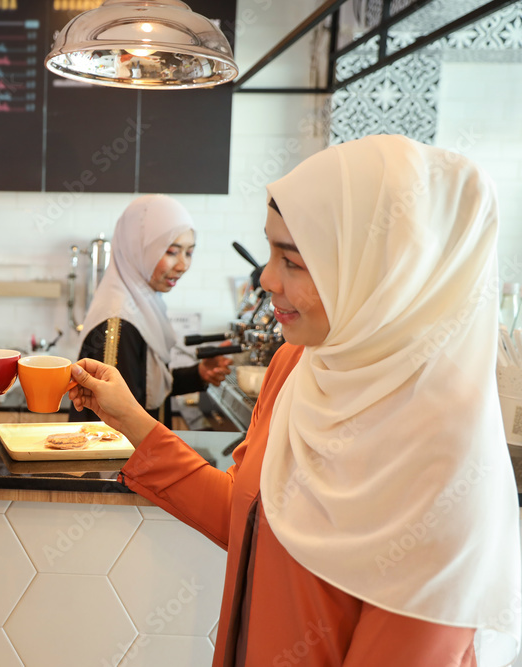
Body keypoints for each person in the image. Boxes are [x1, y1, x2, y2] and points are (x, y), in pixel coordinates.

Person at [68, 135, 521, 666]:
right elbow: (248, 519)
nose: (266, 278)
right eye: (271, 251)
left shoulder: (446, 456)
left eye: (293, 261)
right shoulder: (296, 369)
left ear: (382, 272)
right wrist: (131, 420)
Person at [69, 194, 232, 427]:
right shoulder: (118, 321)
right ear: (138, 249)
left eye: (189, 252)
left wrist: (198, 374)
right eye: (171, 251)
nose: (183, 265)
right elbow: (113, 424)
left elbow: (144, 388)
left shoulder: (141, 306)